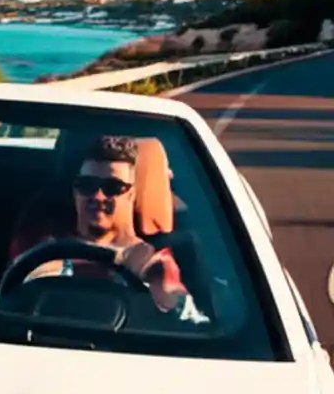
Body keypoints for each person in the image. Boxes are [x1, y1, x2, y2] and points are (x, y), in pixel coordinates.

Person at [25, 135, 209, 323]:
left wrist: (158, 289)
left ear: (132, 194)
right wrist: (43, 276)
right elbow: (10, 305)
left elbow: (194, 328)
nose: (97, 196)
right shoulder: (43, 246)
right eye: (87, 185)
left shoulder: (165, 259)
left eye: (113, 187)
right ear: (75, 191)